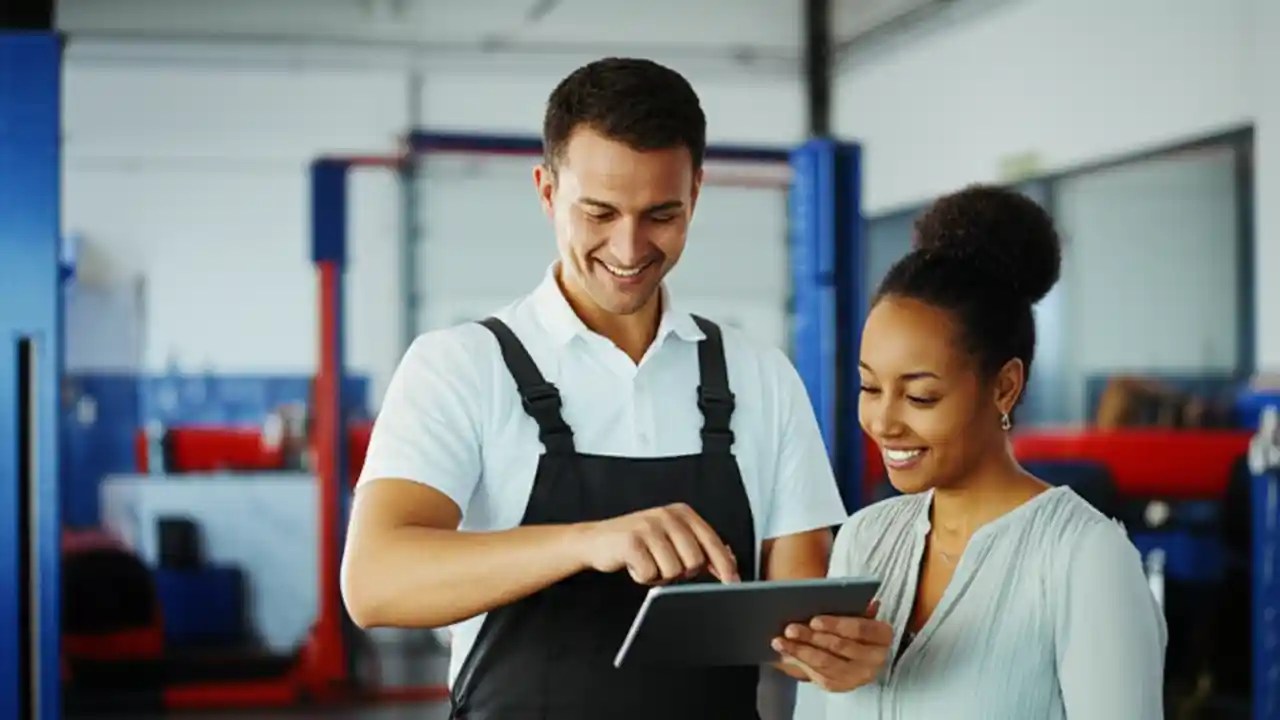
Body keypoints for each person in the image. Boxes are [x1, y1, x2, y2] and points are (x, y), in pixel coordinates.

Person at [339, 56, 894, 719]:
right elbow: (374, 581)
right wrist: (586, 541)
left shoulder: (758, 376)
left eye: (660, 214)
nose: (629, 249)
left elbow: (797, 606)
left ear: (695, 193)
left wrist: (833, 651)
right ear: (547, 191)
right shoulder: (460, 366)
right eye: (598, 213)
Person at [803, 185, 1168, 719]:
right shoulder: (865, 539)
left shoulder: (1084, 561)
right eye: (870, 387)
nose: (883, 422)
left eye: (920, 395)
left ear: (1004, 387)